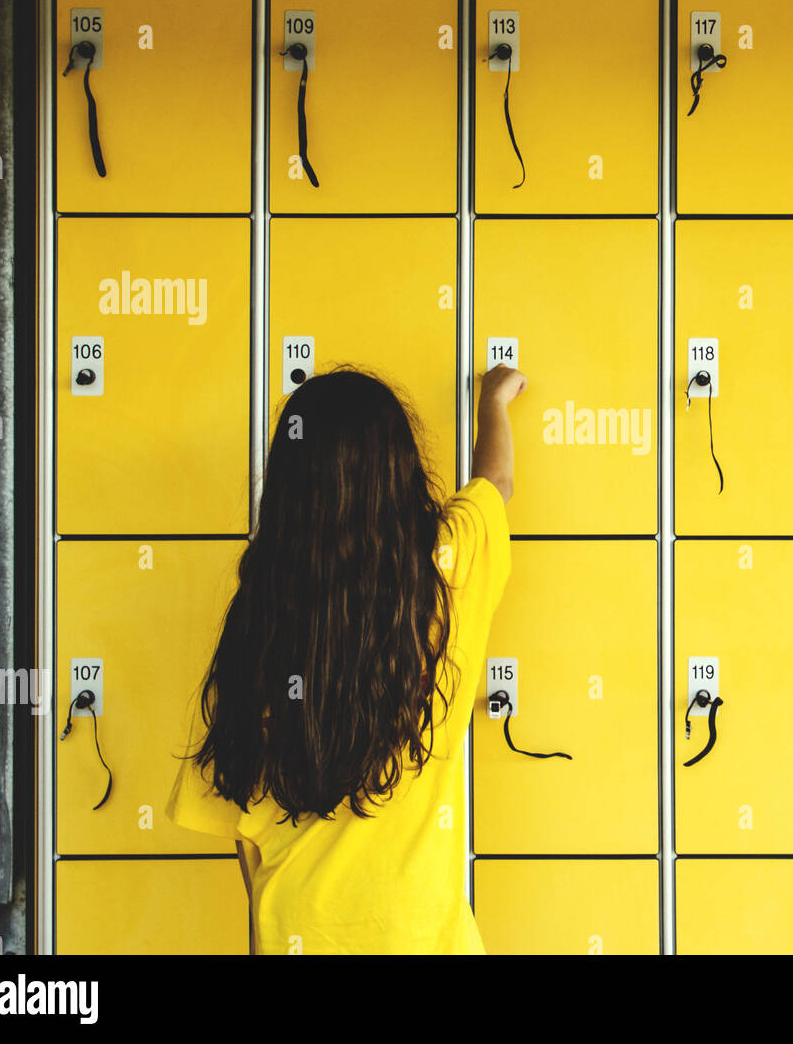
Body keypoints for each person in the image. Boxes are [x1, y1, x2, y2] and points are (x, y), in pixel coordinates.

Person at [166, 363, 526, 954]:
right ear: (400, 473)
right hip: (422, 939)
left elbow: (244, 830)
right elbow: (497, 486)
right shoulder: (447, 570)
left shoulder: (261, 617)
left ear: (287, 486)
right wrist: (493, 400)